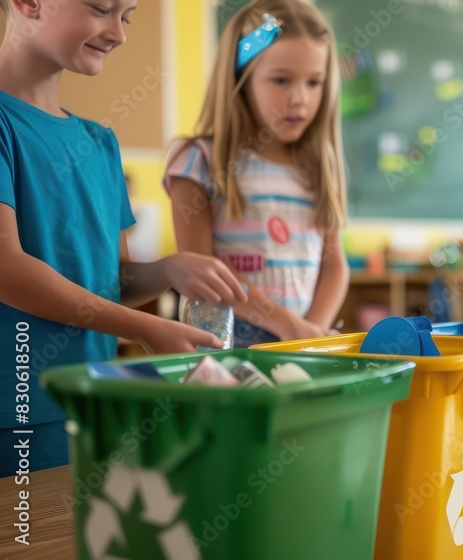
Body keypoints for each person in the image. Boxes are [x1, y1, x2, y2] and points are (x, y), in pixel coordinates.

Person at [0, 0, 246, 475]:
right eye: (101, 9)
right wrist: (146, 329)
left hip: (92, 402)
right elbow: (7, 268)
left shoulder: (99, 143)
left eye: (128, 16)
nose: (119, 33)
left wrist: (168, 269)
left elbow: (111, 281)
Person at [164, 0, 349, 347]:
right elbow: (203, 272)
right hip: (225, 351)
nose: (299, 99)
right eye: (281, 80)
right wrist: (289, 326)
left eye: (314, 82)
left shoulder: (321, 166)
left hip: (301, 345)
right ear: (242, 80)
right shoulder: (197, 160)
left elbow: (334, 264)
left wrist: (308, 332)